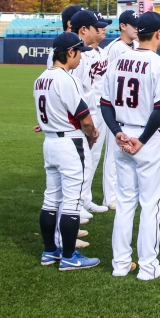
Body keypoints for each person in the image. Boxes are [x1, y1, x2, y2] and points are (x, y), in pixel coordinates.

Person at [100, 11, 160, 280]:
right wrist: (142, 140)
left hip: (121, 135)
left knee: (124, 203)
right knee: (151, 204)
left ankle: (120, 265)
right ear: (157, 34)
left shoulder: (118, 61)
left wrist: (117, 133)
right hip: (148, 138)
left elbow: (105, 103)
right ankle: (148, 267)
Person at [34, 32, 101, 271]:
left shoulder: (40, 78)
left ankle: (50, 251)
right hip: (70, 142)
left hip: (50, 141)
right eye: (79, 52)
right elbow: (84, 117)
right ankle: (70, 256)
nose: (81, 57)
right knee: (71, 202)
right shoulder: (66, 78)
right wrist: (92, 134)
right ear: (69, 52)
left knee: (51, 199)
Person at [69, 10, 111, 218]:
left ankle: (84, 199)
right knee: (79, 162)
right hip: (81, 115)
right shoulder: (76, 54)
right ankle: (74, 205)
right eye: (97, 27)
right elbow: (74, 91)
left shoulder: (97, 53)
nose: (101, 30)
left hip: (97, 110)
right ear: (84, 29)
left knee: (91, 159)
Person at [99, 9, 140, 209]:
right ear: (123, 26)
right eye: (133, 25)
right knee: (112, 152)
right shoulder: (114, 48)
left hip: (130, 105)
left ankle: (124, 191)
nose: (137, 29)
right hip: (114, 105)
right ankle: (110, 196)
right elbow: (107, 79)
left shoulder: (138, 46)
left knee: (127, 149)